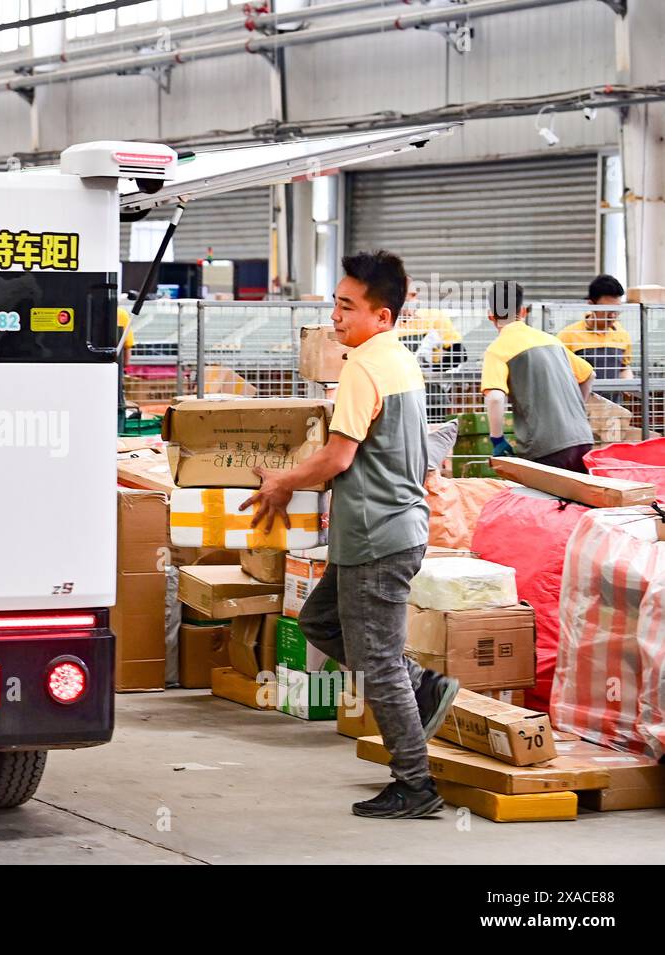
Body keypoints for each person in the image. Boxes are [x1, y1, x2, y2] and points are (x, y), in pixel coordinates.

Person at [241, 250, 458, 820]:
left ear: (381, 317)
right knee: (318, 621)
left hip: (376, 536)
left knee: (377, 662)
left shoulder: (362, 368)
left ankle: (415, 783)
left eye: (346, 307)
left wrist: (283, 480)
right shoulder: (397, 359)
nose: (334, 316)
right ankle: (424, 687)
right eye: (334, 304)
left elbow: (338, 458)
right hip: (389, 529)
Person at [482, 281, 595, 473]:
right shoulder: (551, 340)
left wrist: (497, 440)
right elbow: (589, 374)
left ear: (490, 316)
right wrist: (574, 414)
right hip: (582, 439)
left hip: (545, 448)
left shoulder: (497, 350)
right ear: (524, 311)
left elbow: (495, 397)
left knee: (545, 502)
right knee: (581, 502)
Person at [558, 274, 633, 403]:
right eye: (607, 310)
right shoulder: (568, 335)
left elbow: (624, 367)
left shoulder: (622, 334)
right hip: (579, 409)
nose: (612, 316)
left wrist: (628, 381)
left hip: (613, 411)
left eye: (617, 310)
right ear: (591, 305)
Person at [396, 278, 466, 369]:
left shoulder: (433, 315)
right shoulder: (382, 318)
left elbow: (459, 354)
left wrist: (432, 371)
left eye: (412, 295)